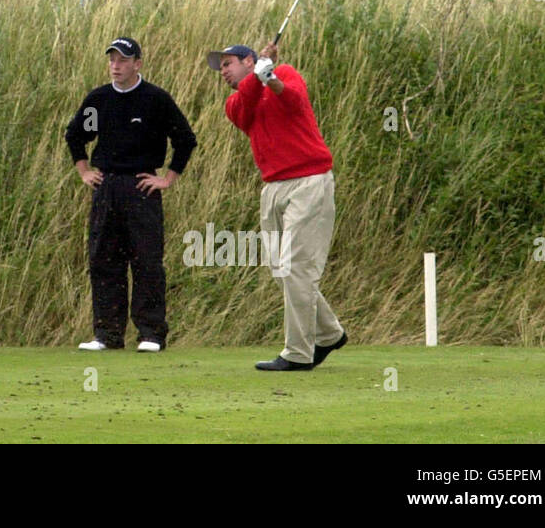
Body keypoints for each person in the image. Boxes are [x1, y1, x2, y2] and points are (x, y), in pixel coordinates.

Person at [210, 42, 347, 371]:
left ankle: (298, 353)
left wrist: (269, 76)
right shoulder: (236, 102)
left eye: (229, 63)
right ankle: (329, 334)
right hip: (272, 187)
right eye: (221, 67)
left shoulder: (284, 73)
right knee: (281, 268)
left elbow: (295, 101)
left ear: (249, 60)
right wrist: (257, 79)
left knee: (297, 267)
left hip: (309, 181)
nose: (223, 71)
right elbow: (245, 108)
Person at [65, 37, 197, 352]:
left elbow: (184, 139)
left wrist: (168, 178)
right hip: (106, 187)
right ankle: (107, 335)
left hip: (141, 188)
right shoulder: (99, 100)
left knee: (146, 262)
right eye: (112, 59)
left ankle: (151, 334)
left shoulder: (155, 100)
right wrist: (84, 171)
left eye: (123, 60)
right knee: (104, 260)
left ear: (137, 63)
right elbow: (76, 135)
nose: (116, 66)